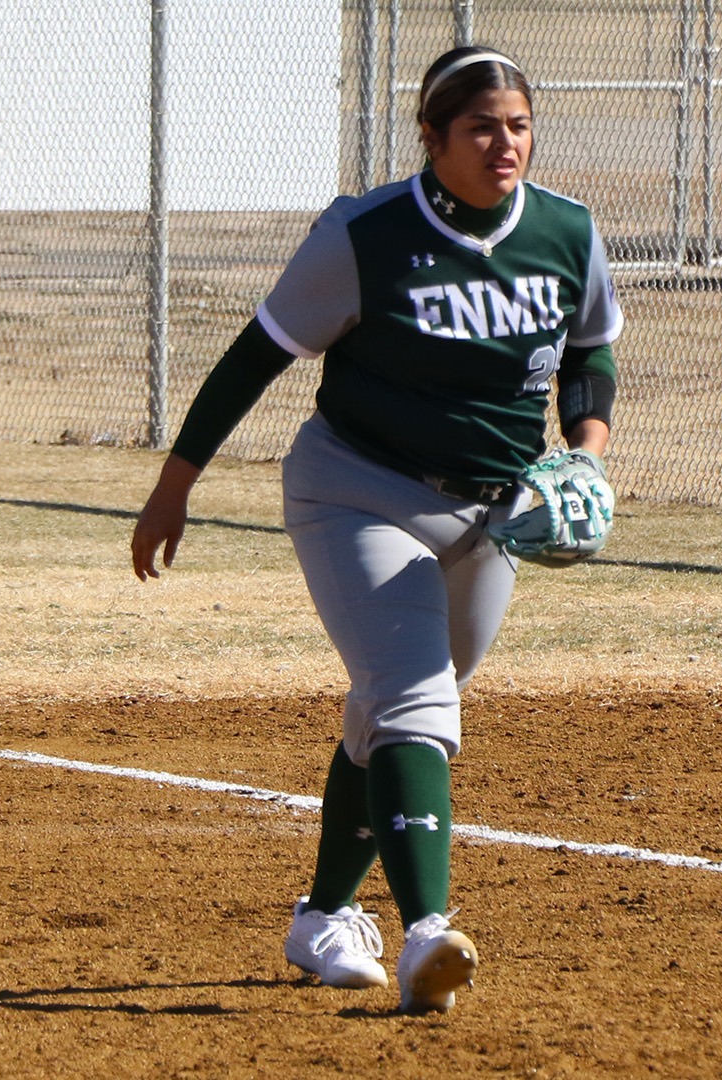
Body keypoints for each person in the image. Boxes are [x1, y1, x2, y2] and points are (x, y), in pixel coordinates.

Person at [129, 45, 622, 1014]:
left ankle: (321, 918)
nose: (503, 143)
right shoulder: (366, 235)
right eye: (480, 126)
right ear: (432, 138)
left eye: (517, 124)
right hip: (355, 490)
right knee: (414, 697)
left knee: (391, 711)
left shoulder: (566, 231)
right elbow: (254, 356)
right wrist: (174, 484)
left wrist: (586, 449)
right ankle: (427, 934)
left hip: (492, 512)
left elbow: (590, 350)